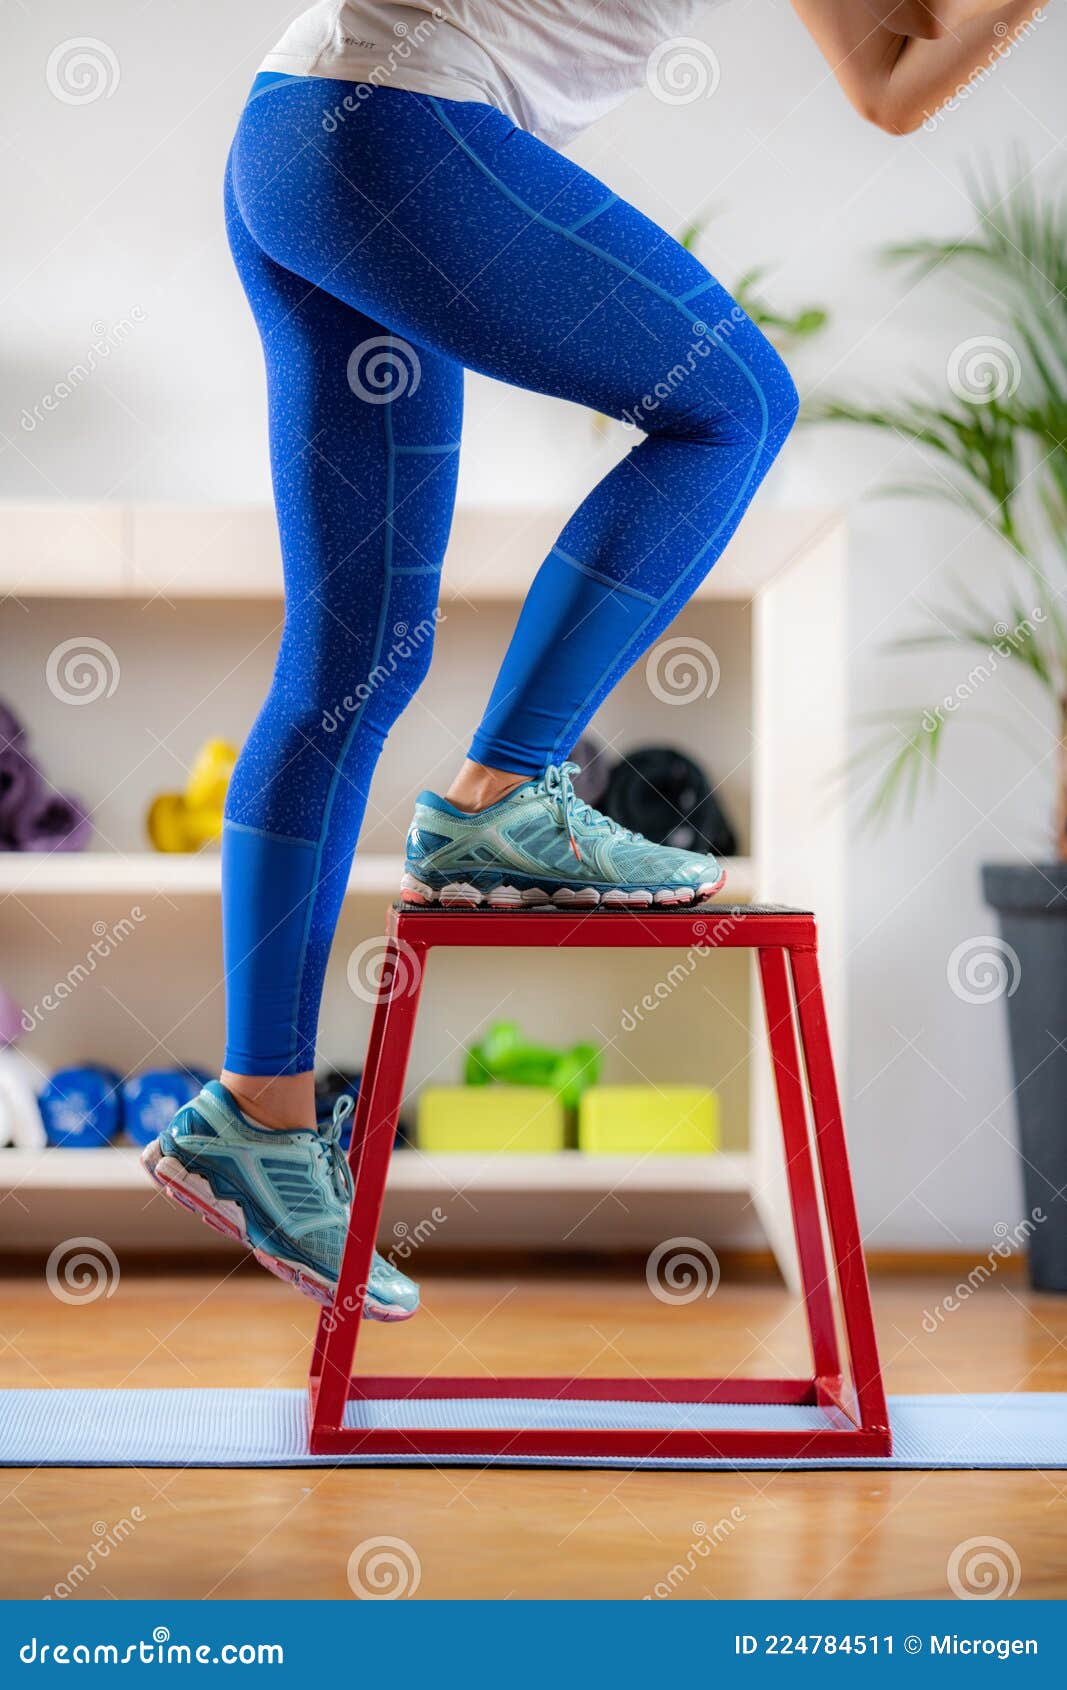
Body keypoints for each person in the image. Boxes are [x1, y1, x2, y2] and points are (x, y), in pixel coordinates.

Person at [142, 0, 1044, 1317]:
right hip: (397, 123)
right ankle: (502, 795)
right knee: (733, 400)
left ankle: (257, 1120)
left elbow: (894, 74)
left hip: (305, 141)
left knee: (351, 661)